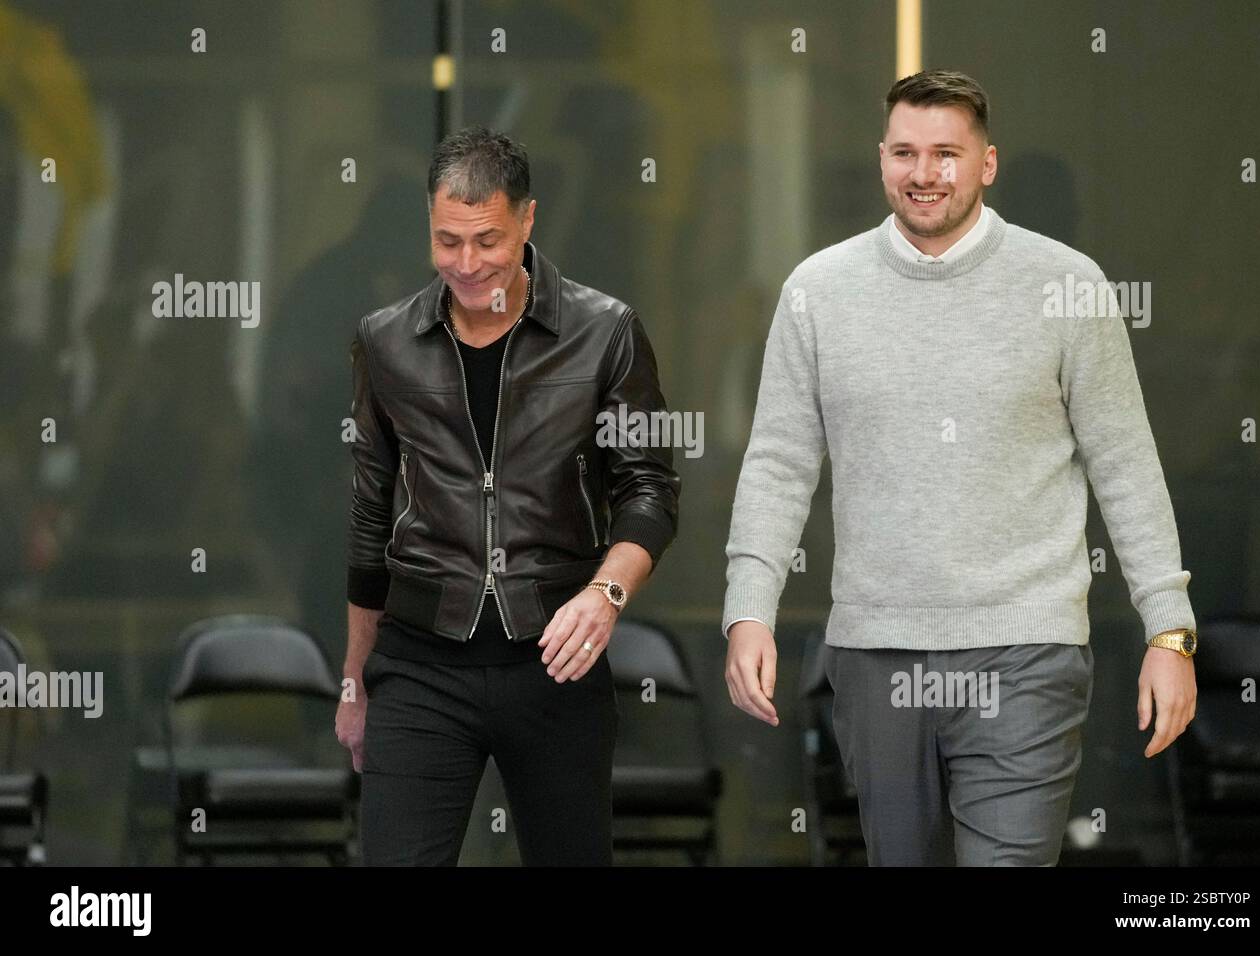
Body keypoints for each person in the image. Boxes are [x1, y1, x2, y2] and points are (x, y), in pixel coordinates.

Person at [721, 70, 1198, 866]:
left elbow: (1126, 464)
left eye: (947, 153)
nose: (924, 172)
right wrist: (748, 608)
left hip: (1027, 646)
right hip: (876, 651)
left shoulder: (1068, 286)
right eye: (906, 152)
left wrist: (1170, 632)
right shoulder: (818, 292)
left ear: (988, 163)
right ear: (881, 160)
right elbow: (777, 464)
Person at [336, 126, 680, 865]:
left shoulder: (604, 333)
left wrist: (605, 595)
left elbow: (648, 490)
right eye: (446, 241)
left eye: (487, 240)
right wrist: (353, 682)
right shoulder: (387, 341)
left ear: (528, 221)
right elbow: (369, 522)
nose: (466, 264)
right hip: (420, 663)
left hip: (555, 662)